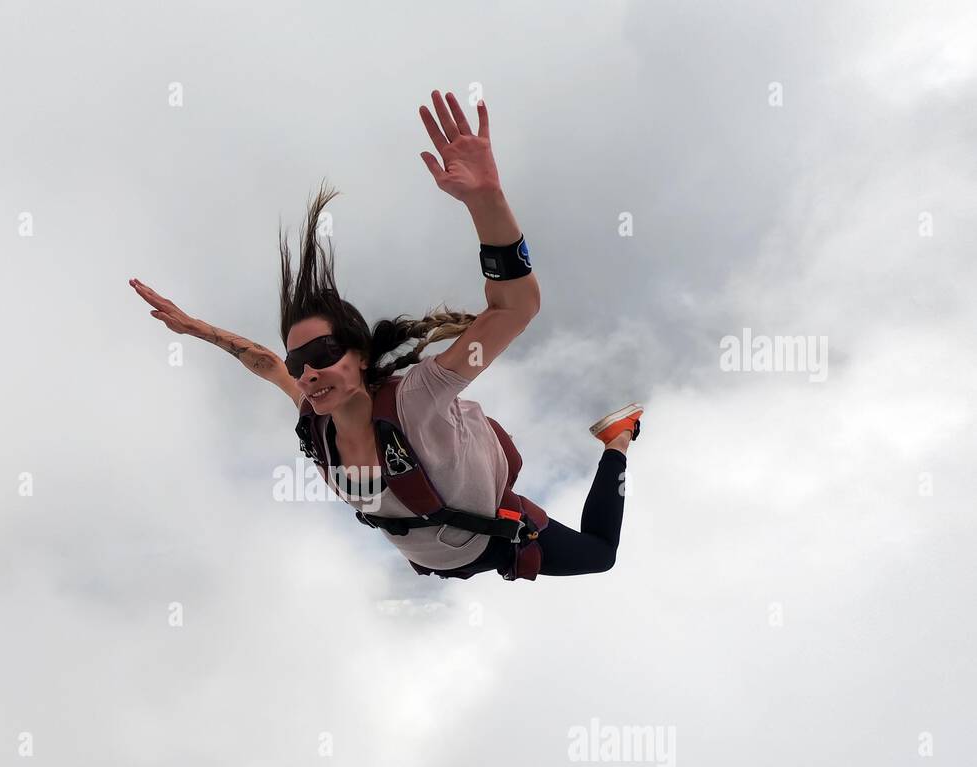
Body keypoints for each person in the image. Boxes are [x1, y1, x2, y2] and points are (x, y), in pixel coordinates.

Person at [131, 89, 641, 582]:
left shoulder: (417, 398)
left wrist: (486, 201)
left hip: (499, 537)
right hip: (446, 556)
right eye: (299, 364)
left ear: (359, 357)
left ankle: (616, 440)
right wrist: (197, 330)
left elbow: (514, 305)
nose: (307, 372)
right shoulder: (317, 422)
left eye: (322, 354)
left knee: (600, 556)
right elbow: (265, 362)